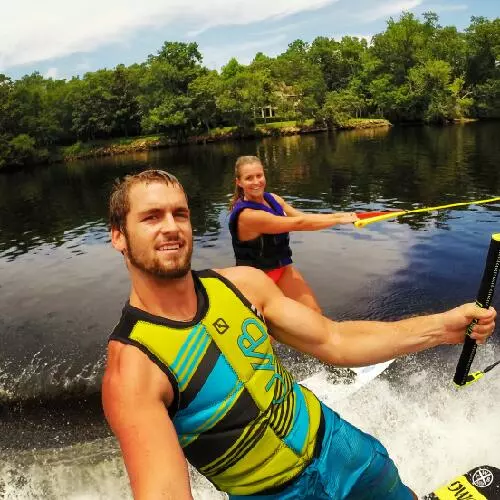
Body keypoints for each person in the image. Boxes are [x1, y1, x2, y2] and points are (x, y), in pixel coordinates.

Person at [102, 169, 496, 500]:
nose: (171, 227)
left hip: (342, 449)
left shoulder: (243, 286)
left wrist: (444, 327)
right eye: (151, 217)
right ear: (118, 235)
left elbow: (334, 340)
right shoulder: (132, 370)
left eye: (180, 214)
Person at [229, 155, 358, 313]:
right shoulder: (248, 215)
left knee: (314, 314)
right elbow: (299, 224)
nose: (256, 182)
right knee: (265, 334)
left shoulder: (273, 199)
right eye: (249, 178)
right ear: (239, 182)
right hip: (255, 281)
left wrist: (339, 215)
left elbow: (301, 216)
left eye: (259, 175)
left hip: (281, 269)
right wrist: (338, 220)